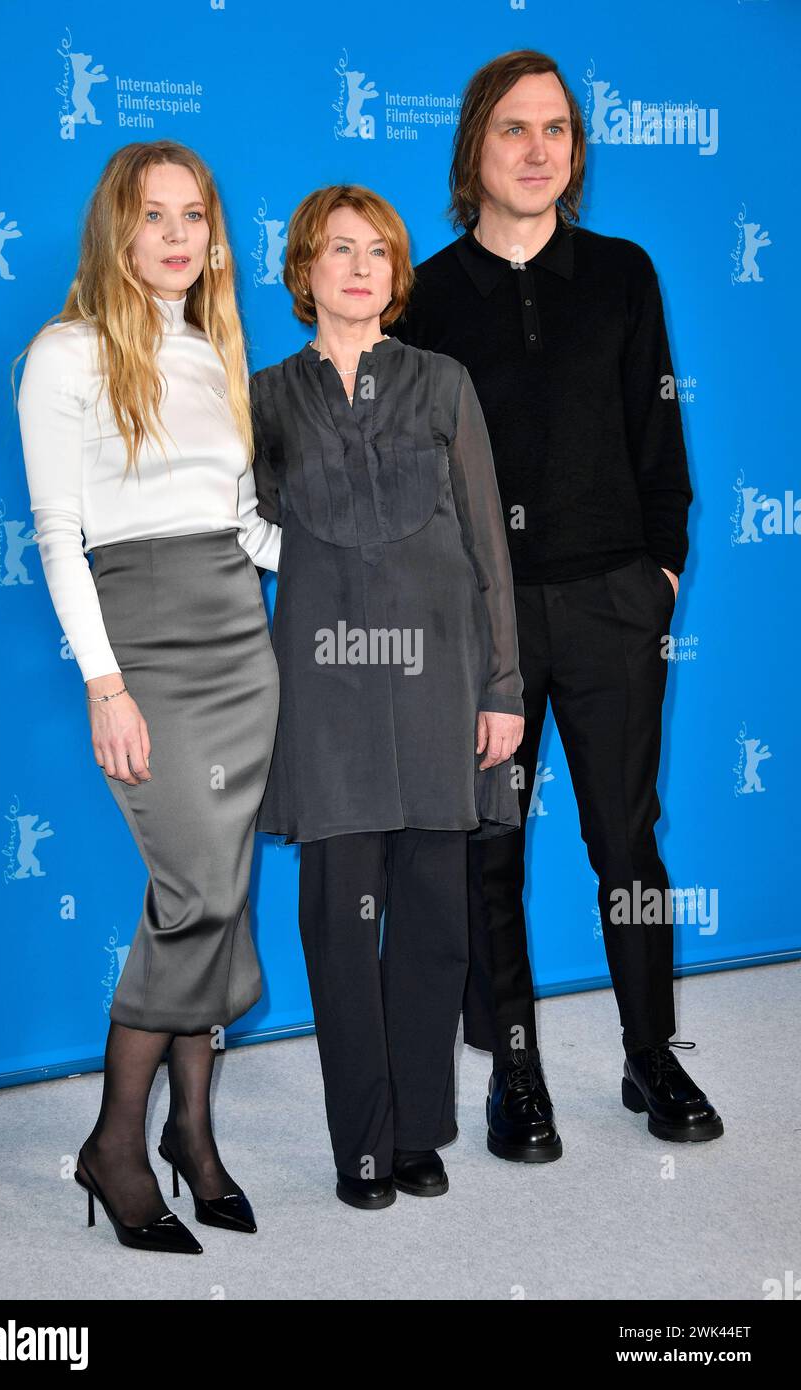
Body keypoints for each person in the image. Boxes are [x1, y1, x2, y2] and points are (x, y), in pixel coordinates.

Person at [388, 49, 723, 1158]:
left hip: (613, 606)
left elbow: (659, 442)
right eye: (513, 131)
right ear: (473, 150)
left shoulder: (625, 275)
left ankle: (650, 1054)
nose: (537, 151)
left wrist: (660, 574)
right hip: (482, 624)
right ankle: (514, 1077)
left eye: (557, 132)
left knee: (626, 840)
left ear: (575, 154)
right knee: (491, 847)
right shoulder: (425, 299)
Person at [14, 139, 281, 1252]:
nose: (176, 235)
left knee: (222, 889)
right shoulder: (66, 354)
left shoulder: (217, 354)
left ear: (213, 237)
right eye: (153, 214)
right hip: (143, 643)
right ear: (116, 230)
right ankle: (120, 1141)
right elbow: (62, 536)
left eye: (194, 216)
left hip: (237, 636)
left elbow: (247, 524)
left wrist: (344, 561)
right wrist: (105, 684)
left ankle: (194, 1138)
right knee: (193, 894)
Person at [248, 184, 525, 1210]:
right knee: (335, 920)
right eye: (337, 249)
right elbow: (247, 528)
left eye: (378, 251)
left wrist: (502, 687)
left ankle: (417, 1132)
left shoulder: (445, 383)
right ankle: (359, 1144)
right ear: (304, 270)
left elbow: (490, 544)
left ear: (397, 273)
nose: (359, 267)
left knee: (432, 922)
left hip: (443, 685)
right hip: (325, 687)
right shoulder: (267, 396)